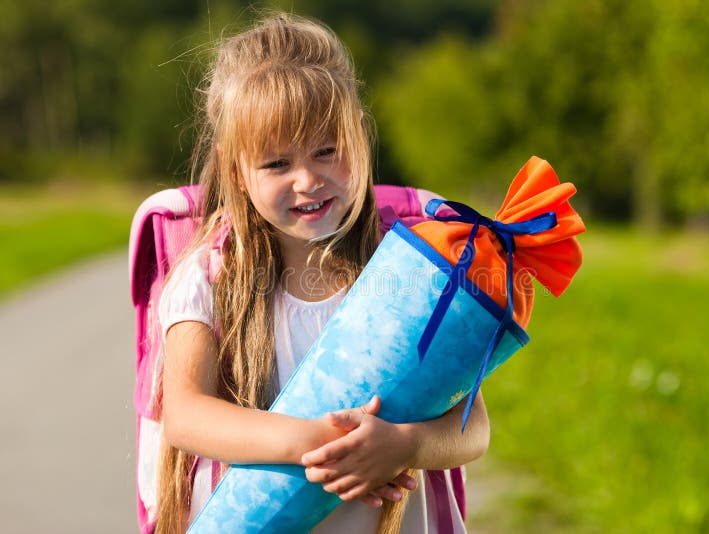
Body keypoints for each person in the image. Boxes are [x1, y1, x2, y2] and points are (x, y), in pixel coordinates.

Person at [154, 12, 490, 533]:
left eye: (327, 151)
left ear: (358, 137)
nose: (308, 179)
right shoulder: (210, 277)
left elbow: (473, 428)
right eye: (277, 163)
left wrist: (403, 445)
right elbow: (185, 415)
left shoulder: (407, 270)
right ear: (235, 171)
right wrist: (322, 445)